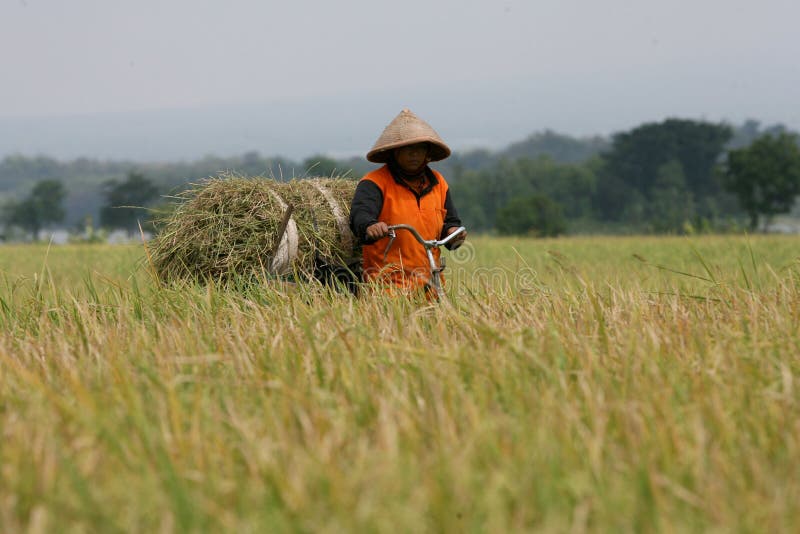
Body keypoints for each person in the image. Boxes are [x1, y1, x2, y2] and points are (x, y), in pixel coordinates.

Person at [349, 109, 467, 293]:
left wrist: (454, 234)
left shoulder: (439, 183)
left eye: (420, 148)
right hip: (388, 287)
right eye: (407, 148)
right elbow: (360, 215)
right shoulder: (374, 183)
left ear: (428, 153)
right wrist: (370, 226)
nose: (414, 154)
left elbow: (450, 224)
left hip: (431, 286)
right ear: (394, 152)